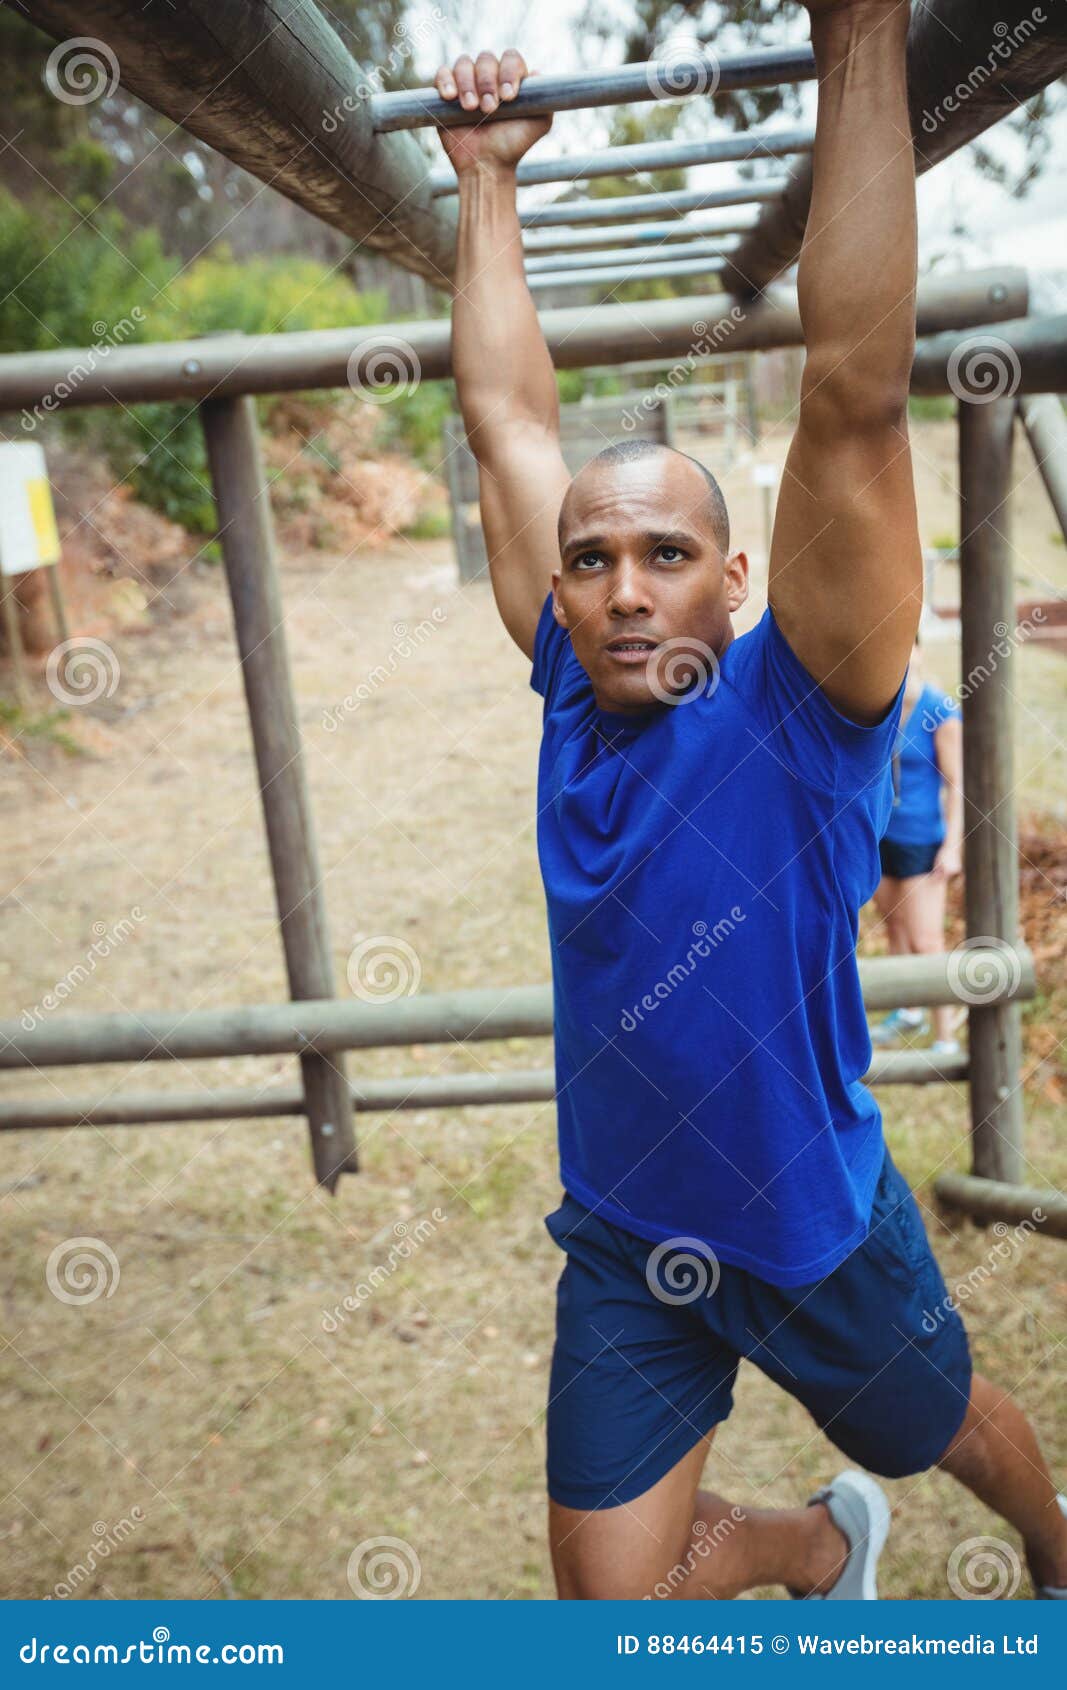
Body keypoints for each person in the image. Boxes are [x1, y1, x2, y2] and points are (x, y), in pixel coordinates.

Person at [435, 3, 1067, 1603]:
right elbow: (508, 419)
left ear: (735, 580)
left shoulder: (805, 705)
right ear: (555, 595)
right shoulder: (570, 691)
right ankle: (808, 1543)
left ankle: (1056, 1548)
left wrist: (858, 32)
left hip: (807, 1228)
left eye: (663, 556)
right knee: (606, 1609)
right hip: (627, 1239)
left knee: (944, 1425)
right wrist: (486, 181)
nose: (623, 589)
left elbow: (850, 385)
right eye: (590, 560)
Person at [871, 635, 964, 1056]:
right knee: (895, 929)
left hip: (922, 841)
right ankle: (908, 1012)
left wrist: (953, 847)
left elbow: (958, 785)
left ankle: (946, 1037)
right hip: (880, 837)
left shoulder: (940, 710)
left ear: (921, 653)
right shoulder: (878, 707)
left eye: (909, 649)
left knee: (927, 941)